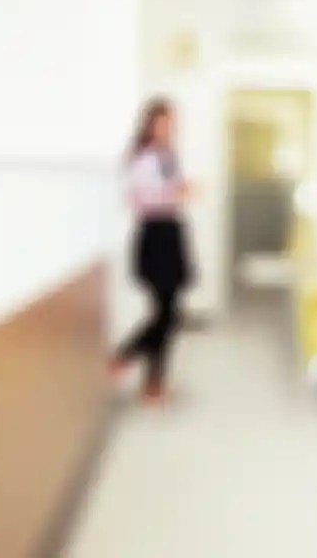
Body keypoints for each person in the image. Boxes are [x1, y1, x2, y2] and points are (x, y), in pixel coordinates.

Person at [109, 98, 194, 405]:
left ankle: (153, 382)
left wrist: (179, 191)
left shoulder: (169, 156)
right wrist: (175, 194)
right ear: (148, 125)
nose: (167, 128)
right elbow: (138, 201)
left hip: (172, 232)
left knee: (168, 313)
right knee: (165, 314)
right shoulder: (142, 159)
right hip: (154, 234)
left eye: (171, 122)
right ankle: (123, 358)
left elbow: (173, 192)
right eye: (161, 123)